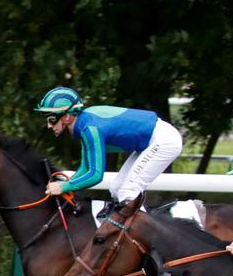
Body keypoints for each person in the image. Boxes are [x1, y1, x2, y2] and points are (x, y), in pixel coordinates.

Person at [36, 86, 184, 206]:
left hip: (164, 140)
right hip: (152, 140)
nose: (49, 125)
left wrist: (64, 187)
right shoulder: (83, 125)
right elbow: (85, 168)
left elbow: (95, 175)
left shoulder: (89, 129)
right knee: (116, 189)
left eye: (51, 119)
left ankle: (145, 233)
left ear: (67, 116)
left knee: (128, 192)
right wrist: (67, 185)